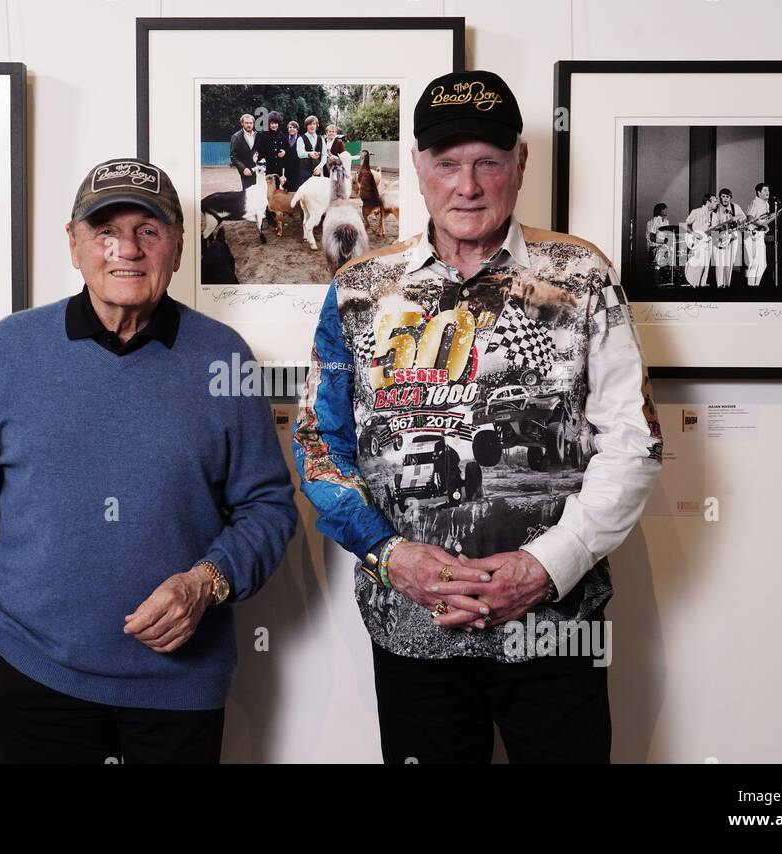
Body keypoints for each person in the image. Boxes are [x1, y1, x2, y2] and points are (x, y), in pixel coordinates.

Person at [292, 70, 662, 764]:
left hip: (555, 627)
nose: (468, 185)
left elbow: (634, 441)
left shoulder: (582, 276)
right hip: (412, 628)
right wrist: (387, 553)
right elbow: (318, 440)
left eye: (488, 162)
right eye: (448, 163)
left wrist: (545, 565)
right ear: (418, 168)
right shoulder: (359, 291)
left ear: (519, 163)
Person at [0, 157, 296, 764]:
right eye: (105, 230)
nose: (126, 249)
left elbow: (268, 507)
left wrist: (206, 583)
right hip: (30, 676)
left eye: (148, 231)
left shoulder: (224, 356)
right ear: (74, 245)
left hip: (180, 685)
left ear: (178, 248)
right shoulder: (11, 349)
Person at [710, 188, 744, 288]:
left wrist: (739, 222)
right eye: (723, 196)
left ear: (730, 198)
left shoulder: (735, 207)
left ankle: (727, 285)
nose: (725, 199)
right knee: (720, 262)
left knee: (729, 262)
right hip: (719, 235)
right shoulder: (716, 208)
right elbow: (714, 225)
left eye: (727, 197)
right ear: (720, 197)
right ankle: (719, 285)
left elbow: (743, 220)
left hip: (732, 235)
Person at [684, 194, 718, 287]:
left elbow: (715, 231)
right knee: (696, 266)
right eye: (715, 201)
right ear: (708, 202)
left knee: (705, 268)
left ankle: (701, 288)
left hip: (709, 243)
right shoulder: (696, 212)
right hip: (698, 243)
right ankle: (692, 286)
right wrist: (694, 233)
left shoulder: (715, 216)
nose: (717, 203)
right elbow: (685, 225)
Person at [743, 183, 771, 287]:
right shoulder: (755, 202)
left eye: (768, 190)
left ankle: (756, 286)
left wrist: (765, 227)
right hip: (751, 235)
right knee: (753, 264)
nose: (767, 192)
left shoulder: (767, 204)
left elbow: (764, 221)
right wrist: (761, 225)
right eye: (764, 190)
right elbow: (750, 218)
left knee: (763, 264)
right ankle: (751, 287)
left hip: (760, 235)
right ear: (759, 192)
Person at [293, 115, 325, 192]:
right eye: (309, 124)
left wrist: (320, 167)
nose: (312, 126)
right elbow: (300, 154)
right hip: (304, 171)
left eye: (314, 124)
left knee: (316, 193)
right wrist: (309, 154)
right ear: (306, 126)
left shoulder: (321, 139)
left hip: (317, 170)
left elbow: (324, 156)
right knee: (305, 193)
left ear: (317, 125)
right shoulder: (301, 138)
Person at [228, 113, 260, 190]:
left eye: (251, 123)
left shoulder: (258, 135)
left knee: (259, 193)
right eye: (246, 123)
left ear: (253, 124)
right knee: (247, 194)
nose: (249, 125)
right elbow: (233, 156)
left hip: (259, 171)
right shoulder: (236, 137)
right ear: (242, 123)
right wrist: (243, 169)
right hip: (246, 171)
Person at [282, 120, 305, 194]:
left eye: (294, 127)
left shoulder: (301, 139)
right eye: (290, 127)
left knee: (296, 190)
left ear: (297, 130)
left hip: (298, 168)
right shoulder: (284, 139)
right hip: (286, 169)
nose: (292, 129)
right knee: (286, 190)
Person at [645, 203, 670, 268]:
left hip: (664, 248)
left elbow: (666, 236)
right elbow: (651, 237)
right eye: (664, 209)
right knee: (656, 271)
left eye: (666, 209)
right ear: (660, 211)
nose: (666, 211)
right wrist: (663, 241)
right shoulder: (654, 221)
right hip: (655, 249)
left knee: (664, 270)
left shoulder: (666, 221)